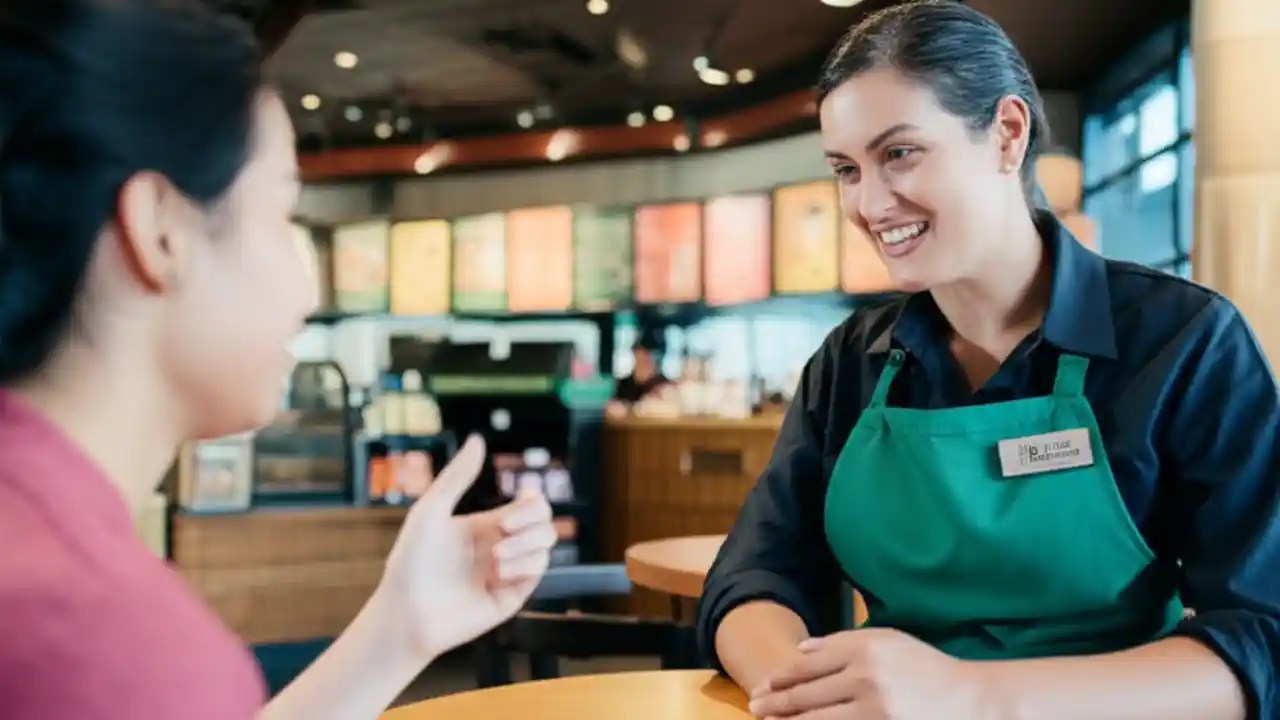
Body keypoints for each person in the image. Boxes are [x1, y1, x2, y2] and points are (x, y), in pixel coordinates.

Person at [698, 3, 1279, 719]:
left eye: (900, 153)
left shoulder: (1185, 341)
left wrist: (968, 699)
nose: (871, 202)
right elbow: (756, 575)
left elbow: (1262, 636)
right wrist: (812, 692)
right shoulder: (849, 363)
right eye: (847, 169)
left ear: (1007, 134)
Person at [0, 2, 556, 718]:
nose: (305, 288)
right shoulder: (95, 635)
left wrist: (399, 629)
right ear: (161, 231)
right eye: (280, 214)